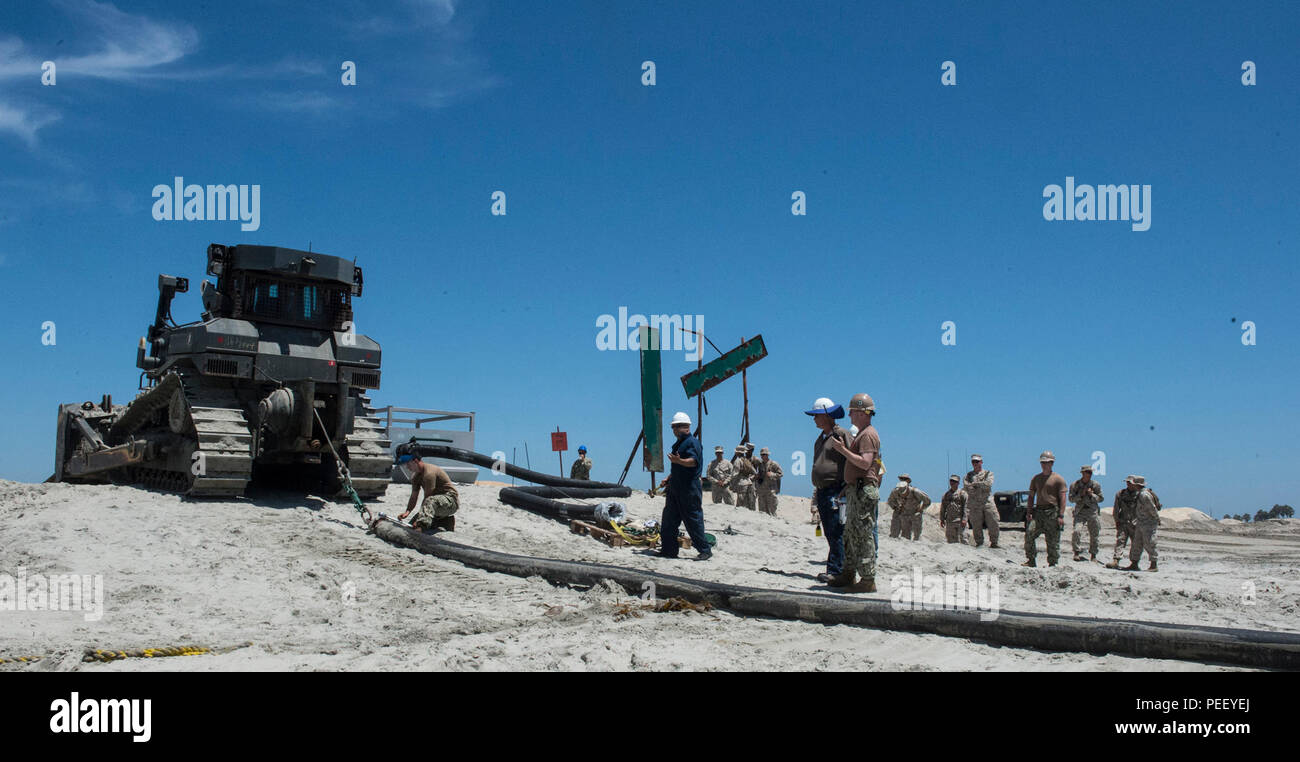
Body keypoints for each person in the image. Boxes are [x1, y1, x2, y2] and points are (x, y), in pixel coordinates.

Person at [826, 393, 881, 593]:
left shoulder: (868, 435)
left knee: (863, 534)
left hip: (862, 490)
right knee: (850, 533)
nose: (849, 417)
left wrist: (842, 450)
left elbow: (865, 463)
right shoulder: (864, 433)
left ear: (860, 413)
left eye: (852, 413)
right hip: (856, 489)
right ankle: (848, 574)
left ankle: (867, 579)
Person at [806, 397, 850, 584]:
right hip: (823, 491)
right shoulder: (821, 439)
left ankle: (837, 570)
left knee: (836, 532)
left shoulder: (841, 435)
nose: (814, 419)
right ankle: (835, 568)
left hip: (836, 491)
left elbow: (852, 458)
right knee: (830, 532)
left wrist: (847, 487)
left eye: (817, 416)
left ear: (826, 415)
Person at [656, 412, 712, 560]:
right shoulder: (680, 443)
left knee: (692, 520)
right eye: (673, 427)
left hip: (689, 489)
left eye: (676, 427)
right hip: (675, 487)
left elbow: (693, 462)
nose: (674, 430)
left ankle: (705, 550)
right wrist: (668, 479)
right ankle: (668, 550)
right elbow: (678, 467)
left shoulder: (693, 442)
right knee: (669, 520)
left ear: (686, 427)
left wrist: (679, 461)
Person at [1024, 450, 1067, 567]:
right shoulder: (1036, 479)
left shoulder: (1058, 479)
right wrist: (1029, 511)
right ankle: (1031, 560)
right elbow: (1031, 496)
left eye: (1047, 462)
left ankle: (1053, 563)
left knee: (1052, 540)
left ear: (1052, 463)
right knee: (1029, 534)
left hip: (1052, 512)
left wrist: (1061, 515)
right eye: (1042, 462)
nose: (1044, 465)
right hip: (1039, 512)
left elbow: (1063, 498)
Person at [396, 452, 459, 532]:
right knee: (411, 526)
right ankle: (445, 521)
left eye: (408, 464)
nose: (407, 467)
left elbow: (428, 497)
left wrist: (420, 521)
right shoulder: (415, 476)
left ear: (415, 461)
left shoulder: (429, 473)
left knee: (423, 516)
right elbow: (414, 496)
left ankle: (422, 527)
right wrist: (407, 512)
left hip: (450, 501)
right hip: (436, 503)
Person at [1123, 475, 1160, 572]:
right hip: (1141, 522)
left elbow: (1152, 508)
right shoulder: (1140, 494)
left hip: (1148, 523)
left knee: (1149, 543)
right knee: (1137, 543)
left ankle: (1153, 564)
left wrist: (1156, 519)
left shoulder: (1144, 495)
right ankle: (1134, 563)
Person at [1068, 464, 1104, 561]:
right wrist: (1081, 494)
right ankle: (1076, 552)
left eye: (1091, 472)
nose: (1089, 474)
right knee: (1077, 531)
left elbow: (1101, 498)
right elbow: (1071, 499)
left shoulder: (1095, 485)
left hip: (1092, 511)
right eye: (1087, 472)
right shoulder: (1075, 485)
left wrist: (1091, 494)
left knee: (1094, 533)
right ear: (1082, 473)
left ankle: (1093, 554)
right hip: (1080, 511)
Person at [1105, 476, 1141, 569]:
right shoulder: (1121, 494)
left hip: (1136, 523)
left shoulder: (1140, 495)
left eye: (1130, 482)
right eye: (1127, 482)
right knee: (1120, 541)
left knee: (1136, 544)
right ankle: (1116, 560)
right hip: (1123, 521)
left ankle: (1134, 563)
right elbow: (1116, 508)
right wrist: (1116, 520)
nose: (1128, 484)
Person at [964, 455, 999, 548]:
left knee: (993, 521)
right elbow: (966, 487)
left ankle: (994, 542)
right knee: (976, 524)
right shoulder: (968, 476)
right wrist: (979, 485)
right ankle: (979, 543)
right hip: (975, 503)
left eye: (977, 461)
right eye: (973, 462)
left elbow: (988, 484)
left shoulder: (988, 473)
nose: (975, 463)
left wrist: (976, 484)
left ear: (981, 462)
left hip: (987, 502)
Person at [888, 474, 931, 540]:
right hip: (904, 515)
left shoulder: (915, 492)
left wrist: (921, 509)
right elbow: (890, 501)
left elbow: (927, 500)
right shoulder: (895, 491)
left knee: (917, 536)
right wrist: (896, 508)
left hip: (915, 514)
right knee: (905, 536)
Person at [755, 447, 784, 516]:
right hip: (762, 489)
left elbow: (781, 474)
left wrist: (772, 474)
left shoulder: (773, 464)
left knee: (772, 510)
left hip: (771, 490)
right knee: (762, 511)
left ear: (768, 455)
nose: (763, 456)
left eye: (764, 454)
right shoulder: (760, 464)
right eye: (762, 455)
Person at [940, 475, 967, 543]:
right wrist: (942, 519)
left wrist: (964, 519)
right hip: (950, 521)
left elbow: (966, 507)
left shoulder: (962, 493)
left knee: (963, 539)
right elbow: (943, 507)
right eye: (951, 481)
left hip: (960, 520)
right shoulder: (946, 495)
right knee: (951, 541)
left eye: (954, 481)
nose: (952, 483)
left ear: (958, 483)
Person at [729, 444, 757, 510]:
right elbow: (755, 472)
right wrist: (750, 478)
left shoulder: (738, 461)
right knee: (748, 501)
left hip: (741, 483)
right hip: (749, 482)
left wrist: (731, 484)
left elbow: (735, 474)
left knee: (740, 503)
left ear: (738, 452)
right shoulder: (747, 460)